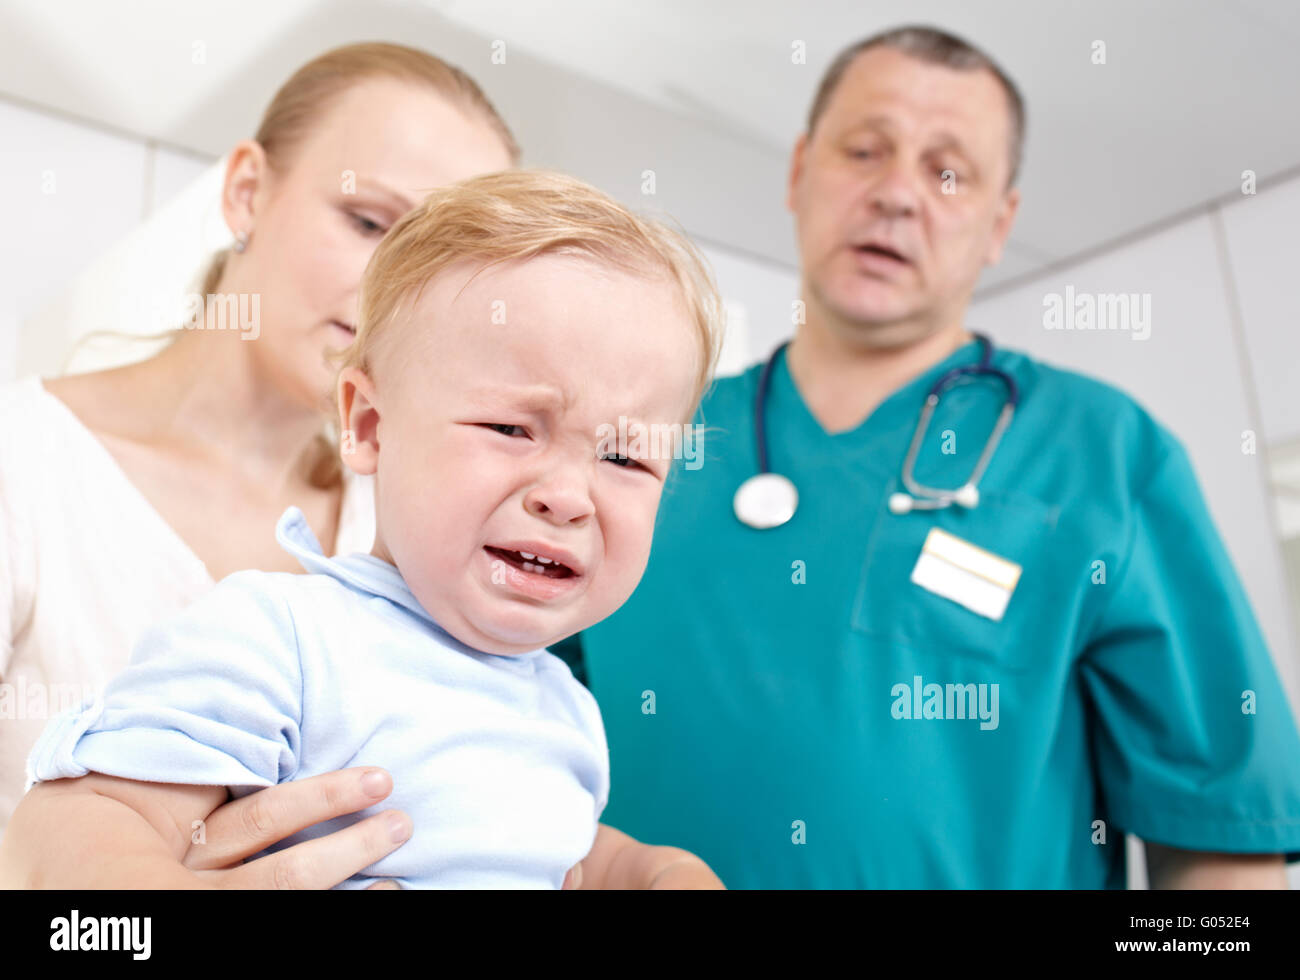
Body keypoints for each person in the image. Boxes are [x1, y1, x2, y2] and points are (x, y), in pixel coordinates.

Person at [550, 25, 1300, 888]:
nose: (897, 195)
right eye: (864, 150)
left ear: (999, 223)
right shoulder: (648, 439)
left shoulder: (1102, 453)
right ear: (799, 171)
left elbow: (1216, 846)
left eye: (948, 172)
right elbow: (513, 725)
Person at [2, 170, 726, 889]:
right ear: (369, 425)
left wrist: (648, 869)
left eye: (626, 455)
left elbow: (553, 847)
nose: (569, 496)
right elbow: (80, 821)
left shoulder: (565, 709)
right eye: (511, 428)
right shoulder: (282, 640)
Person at [0, 42, 517, 877]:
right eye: (367, 222)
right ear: (247, 192)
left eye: (439, 263)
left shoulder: (414, 533)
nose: (394, 288)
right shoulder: (24, 469)